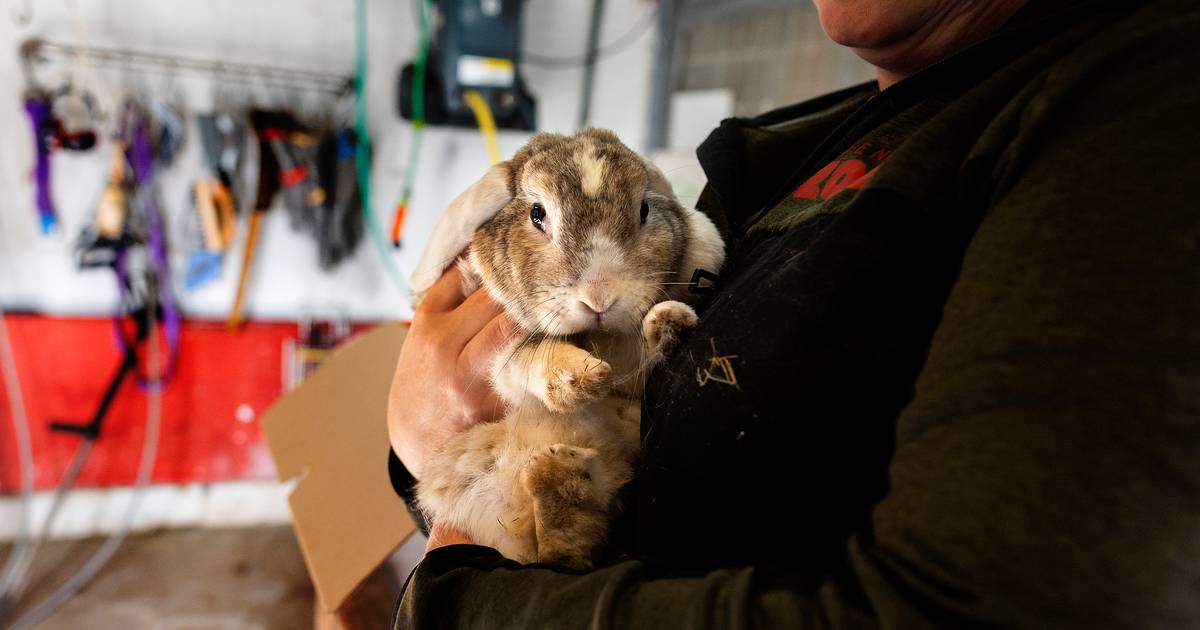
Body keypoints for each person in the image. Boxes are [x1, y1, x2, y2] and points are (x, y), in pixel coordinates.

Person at [386, 0, 1200, 626]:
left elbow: (968, 606)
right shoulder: (812, 136)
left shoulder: (1134, 103)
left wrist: (462, 593)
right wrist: (450, 441)